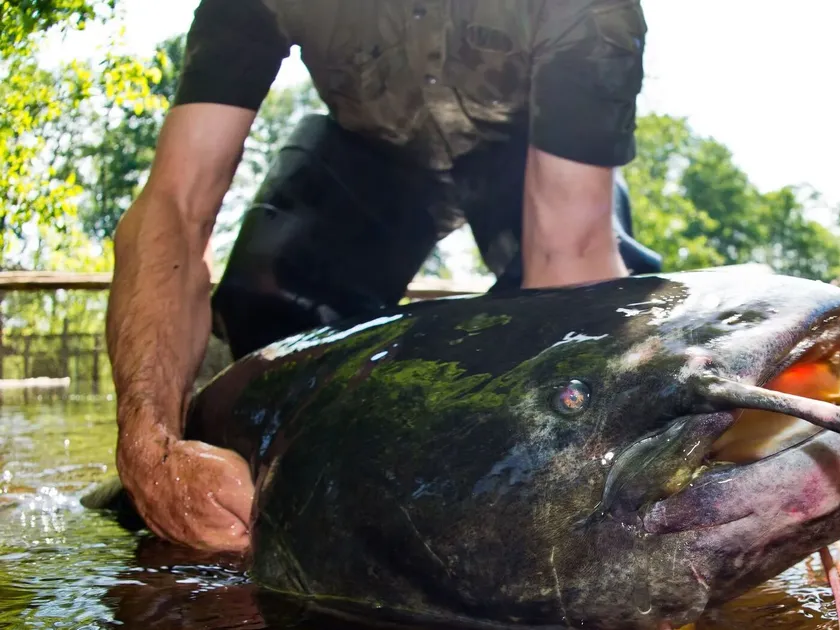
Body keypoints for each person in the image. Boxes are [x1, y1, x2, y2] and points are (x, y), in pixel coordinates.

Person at [104, 0, 662, 554]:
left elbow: (568, 253)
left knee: (593, 335)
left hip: (527, 160)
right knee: (264, 302)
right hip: (367, 160)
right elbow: (174, 207)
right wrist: (147, 447)